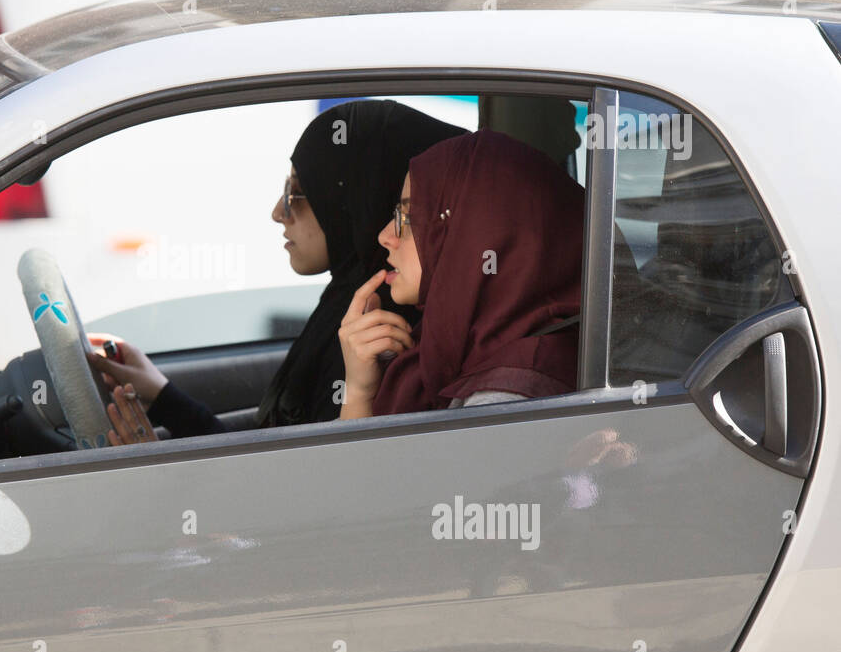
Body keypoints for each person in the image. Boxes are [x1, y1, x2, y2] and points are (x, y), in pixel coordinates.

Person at [90, 100, 467, 445]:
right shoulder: (347, 303)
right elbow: (272, 451)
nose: (278, 211)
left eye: (297, 193)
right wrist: (160, 395)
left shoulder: (379, 332)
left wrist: (160, 477)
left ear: (350, 198)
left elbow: (299, 498)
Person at [337, 129, 584, 419]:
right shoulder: (448, 350)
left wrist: (357, 396)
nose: (384, 236)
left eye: (409, 217)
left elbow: (366, 467)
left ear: (476, 234)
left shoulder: (507, 397)